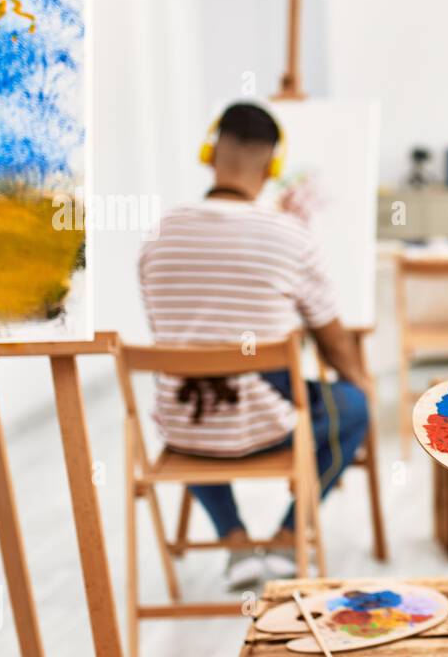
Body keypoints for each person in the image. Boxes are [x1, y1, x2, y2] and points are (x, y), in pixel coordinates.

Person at [138, 102, 370, 592]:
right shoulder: (289, 235)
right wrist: (360, 379)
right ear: (272, 168)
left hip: (186, 432)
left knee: (186, 390)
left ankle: (235, 542)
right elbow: (332, 340)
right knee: (352, 406)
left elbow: (173, 339)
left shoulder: (157, 236)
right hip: (269, 425)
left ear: (209, 154)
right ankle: (287, 539)